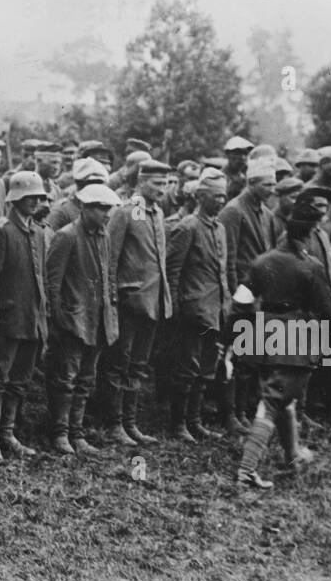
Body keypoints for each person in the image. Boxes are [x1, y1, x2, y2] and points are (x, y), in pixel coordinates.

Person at [232, 189, 331, 489]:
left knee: (281, 399)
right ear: (308, 235)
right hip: (296, 336)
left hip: (263, 334)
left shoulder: (261, 261)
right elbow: (329, 312)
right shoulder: (311, 267)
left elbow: (241, 301)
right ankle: (246, 470)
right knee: (273, 402)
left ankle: (292, 454)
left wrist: (241, 335)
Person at [44, 182, 119, 455]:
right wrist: (59, 318)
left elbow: (109, 276)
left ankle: (77, 433)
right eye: (101, 208)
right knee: (66, 379)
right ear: (85, 208)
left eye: (109, 209)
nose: (106, 214)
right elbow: (52, 283)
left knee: (86, 379)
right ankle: (60, 433)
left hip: (98, 320)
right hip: (73, 321)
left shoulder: (104, 236)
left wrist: (111, 310)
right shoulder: (66, 236)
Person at [104, 159, 173, 446]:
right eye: (156, 183)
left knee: (138, 365)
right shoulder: (127, 210)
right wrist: (112, 298)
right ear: (141, 181)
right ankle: (113, 424)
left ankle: (130, 423)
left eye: (165, 184)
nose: (162, 189)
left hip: (153, 301)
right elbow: (111, 258)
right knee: (119, 363)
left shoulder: (157, 213)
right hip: (129, 300)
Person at [0, 170, 48, 460]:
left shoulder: (37, 232)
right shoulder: (2, 231)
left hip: (32, 319)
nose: (34, 201)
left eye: (38, 197)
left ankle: (7, 433)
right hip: (3, 321)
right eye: (28, 196)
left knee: (20, 380)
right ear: (15, 198)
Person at [164, 166, 230, 442]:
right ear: (201, 197)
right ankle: (179, 425)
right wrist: (177, 309)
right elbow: (173, 270)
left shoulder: (220, 228)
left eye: (224, 196)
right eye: (216, 196)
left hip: (215, 309)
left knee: (206, 369)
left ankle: (195, 420)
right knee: (186, 369)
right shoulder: (188, 227)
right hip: (193, 311)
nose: (222, 201)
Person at [218, 157, 279, 432]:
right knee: (231, 359)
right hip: (240, 296)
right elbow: (227, 258)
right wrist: (234, 297)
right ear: (251, 182)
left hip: (259, 297)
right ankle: (229, 414)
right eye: (267, 184)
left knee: (250, 359)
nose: (272, 189)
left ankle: (243, 412)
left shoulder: (266, 214)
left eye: (274, 184)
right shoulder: (233, 211)